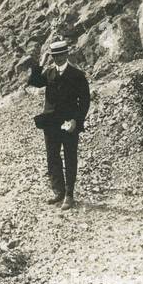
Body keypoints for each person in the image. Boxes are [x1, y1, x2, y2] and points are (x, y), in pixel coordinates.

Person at [22, 38, 90, 210]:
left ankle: (69, 195)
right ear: (51, 56)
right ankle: (58, 192)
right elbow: (35, 82)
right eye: (55, 56)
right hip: (51, 123)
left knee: (70, 158)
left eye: (61, 55)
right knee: (52, 157)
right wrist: (38, 64)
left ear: (67, 54)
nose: (58, 58)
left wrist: (76, 120)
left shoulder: (77, 75)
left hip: (69, 123)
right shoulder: (49, 73)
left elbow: (85, 102)